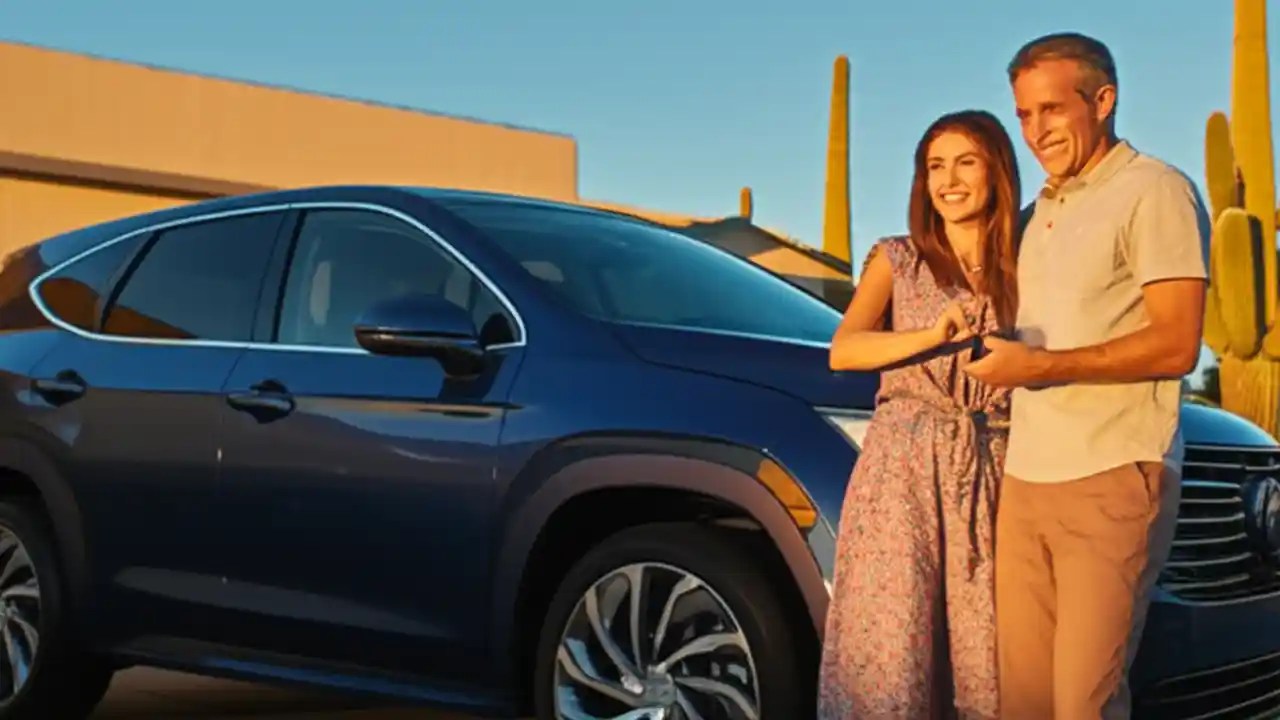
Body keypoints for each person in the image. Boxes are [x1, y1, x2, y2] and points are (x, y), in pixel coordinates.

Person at [963, 32, 1209, 719]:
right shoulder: (1035, 216)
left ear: (1103, 101)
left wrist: (1038, 367)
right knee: (1024, 705)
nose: (1037, 131)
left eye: (1052, 110)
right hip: (1024, 483)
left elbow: (1177, 342)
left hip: (1113, 475)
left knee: (1084, 706)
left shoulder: (1154, 190)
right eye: (1024, 115)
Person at [817, 108, 1022, 720]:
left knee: (989, 649)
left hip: (995, 465)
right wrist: (929, 337)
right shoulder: (899, 258)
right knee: (894, 641)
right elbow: (844, 349)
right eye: (935, 166)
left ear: (997, 173)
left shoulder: (1026, 262)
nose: (948, 180)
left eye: (965, 162)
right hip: (903, 465)